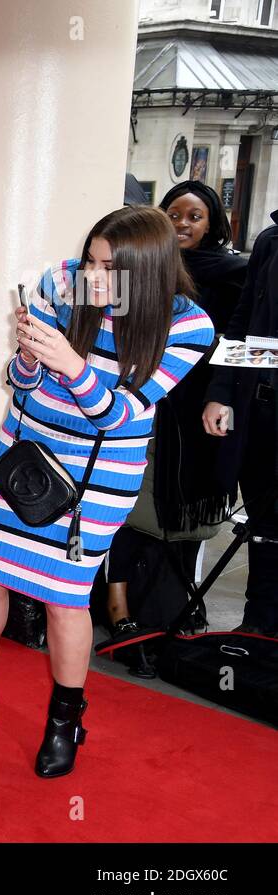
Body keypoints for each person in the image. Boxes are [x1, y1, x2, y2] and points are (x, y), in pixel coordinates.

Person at [0, 206, 214, 778]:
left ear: (148, 270)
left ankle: (65, 722)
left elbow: (121, 417)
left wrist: (73, 363)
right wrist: (31, 359)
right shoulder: (60, 284)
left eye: (110, 267)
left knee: (65, 600)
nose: (93, 275)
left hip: (94, 483)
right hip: (23, 462)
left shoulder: (187, 327)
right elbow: (19, 383)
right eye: (90, 259)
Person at [102, 181, 248, 645]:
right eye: (173, 213)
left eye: (194, 216)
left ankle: (175, 603)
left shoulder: (231, 276)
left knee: (184, 516)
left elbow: (237, 345)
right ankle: (116, 602)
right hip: (137, 408)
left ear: (212, 225)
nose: (182, 223)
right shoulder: (140, 268)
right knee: (126, 508)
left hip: (193, 417)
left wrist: (220, 396)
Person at [204, 209, 278, 637]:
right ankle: (256, 629)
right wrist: (220, 392)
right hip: (260, 411)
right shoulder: (271, 241)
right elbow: (242, 323)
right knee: (263, 528)